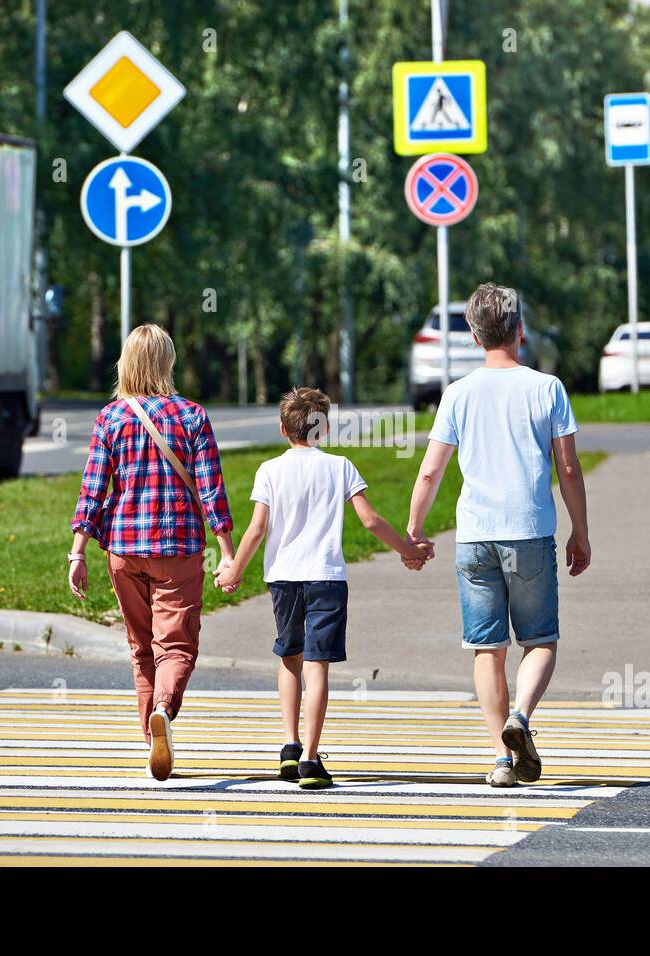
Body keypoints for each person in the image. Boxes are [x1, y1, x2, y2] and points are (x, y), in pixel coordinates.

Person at [404, 283, 592, 788]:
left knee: (487, 651)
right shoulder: (547, 389)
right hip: (529, 531)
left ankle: (501, 762)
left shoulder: (457, 394)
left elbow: (429, 473)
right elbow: (569, 470)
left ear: (473, 334)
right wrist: (581, 531)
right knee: (541, 641)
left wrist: (414, 531)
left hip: (474, 538)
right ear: (521, 330)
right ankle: (522, 720)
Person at [215, 387, 431, 789]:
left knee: (289, 658)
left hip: (283, 578)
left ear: (283, 428)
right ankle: (311, 761)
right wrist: (408, 550)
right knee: (318, 667)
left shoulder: (269, 470)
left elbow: (257, 529)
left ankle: (289, 747)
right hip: (327, 578)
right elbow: (370, 521)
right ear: (324, 428)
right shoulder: (340, 466)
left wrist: (234, 571)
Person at [68, 324, 235, 783]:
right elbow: (211, 489)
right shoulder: (193, 416)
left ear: (126, 363)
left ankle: (150, 742)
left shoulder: (111, 417)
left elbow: (93, 488)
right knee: (176, 645)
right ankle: (163, 712)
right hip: (178, 549)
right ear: (167, 363)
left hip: (122, 549)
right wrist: (227, 552)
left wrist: (77, 552)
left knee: (141, 648)